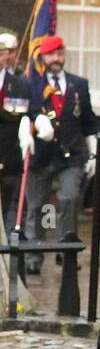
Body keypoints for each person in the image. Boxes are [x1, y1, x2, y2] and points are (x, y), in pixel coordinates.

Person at [22, 35, 96, 276]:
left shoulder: (78, 84)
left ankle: (66, 250)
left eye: (60, 54)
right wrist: (31, 124)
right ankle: (35, 253)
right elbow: (25, 114)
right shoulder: (31, 85)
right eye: (52, 54)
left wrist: (93, 151)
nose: (56, 58)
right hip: (41, 156)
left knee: (69, 199)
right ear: (42, 57)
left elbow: (88, 121)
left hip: (71, 155)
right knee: (40, 207)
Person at [0, 32, 33, 235]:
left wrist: (32, 123)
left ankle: (9, 258)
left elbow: (28, 113)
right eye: (5, 52)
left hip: (9, 156)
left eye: (11, 52)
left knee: (9, 210)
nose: (9, 57)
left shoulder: (20, 84)